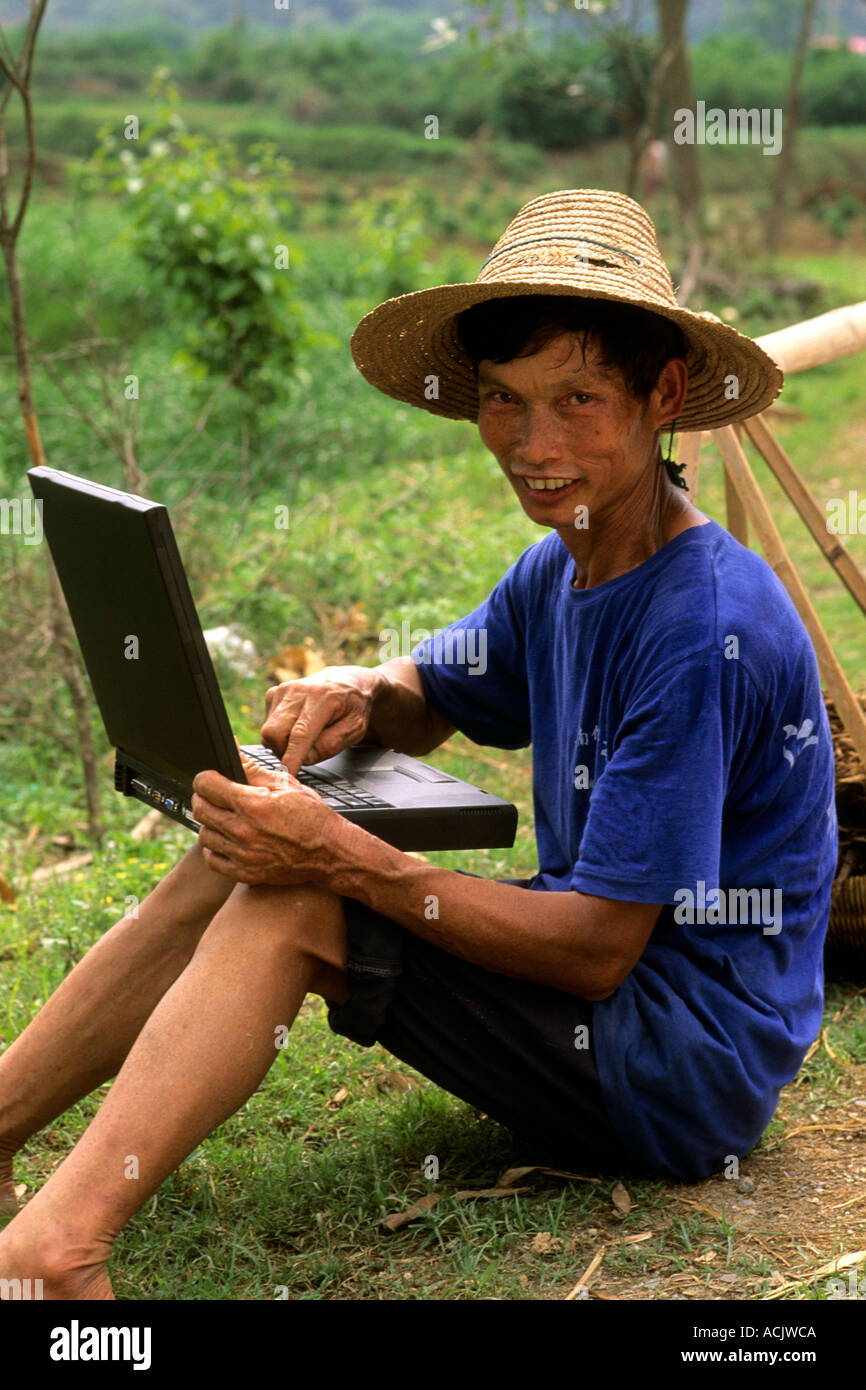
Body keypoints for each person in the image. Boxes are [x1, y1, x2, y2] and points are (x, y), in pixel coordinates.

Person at [0, 189, 837, 1300]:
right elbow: (431, 690)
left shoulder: (700, 628)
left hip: (681, 1063)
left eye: (576, 401)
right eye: (504, 401)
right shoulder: (569, 559)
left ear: (661, 396)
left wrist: (350, 862)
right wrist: (359, 690)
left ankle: (55, 1250)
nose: (533, 448)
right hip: (619, 1007)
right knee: (249, 843)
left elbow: (595, 950)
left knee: (299, 893)